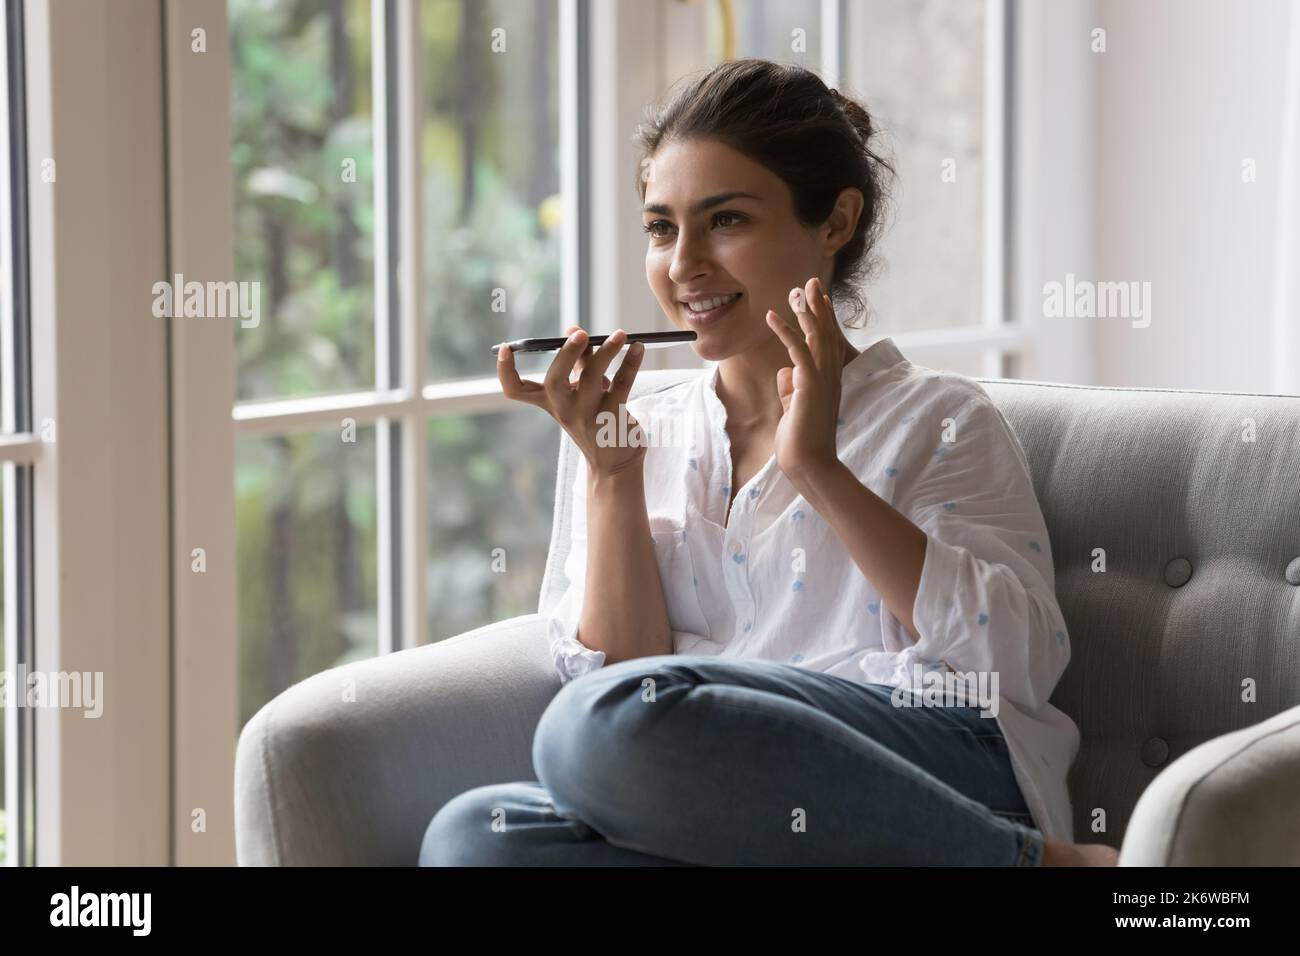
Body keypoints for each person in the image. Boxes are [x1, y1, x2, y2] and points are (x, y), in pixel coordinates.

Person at [421, 58, 1119, 867]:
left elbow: (1010, 667)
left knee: (594, 725)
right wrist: (612, 475)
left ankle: (1033, 864)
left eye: (726, 221)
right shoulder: (634, 427)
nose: (683, 265)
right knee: (475, 839)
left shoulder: (942, 418)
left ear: (834, 222)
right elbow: (629, 694)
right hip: (738, 804)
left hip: (933, 759)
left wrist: (818, 467)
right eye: (660, 227)